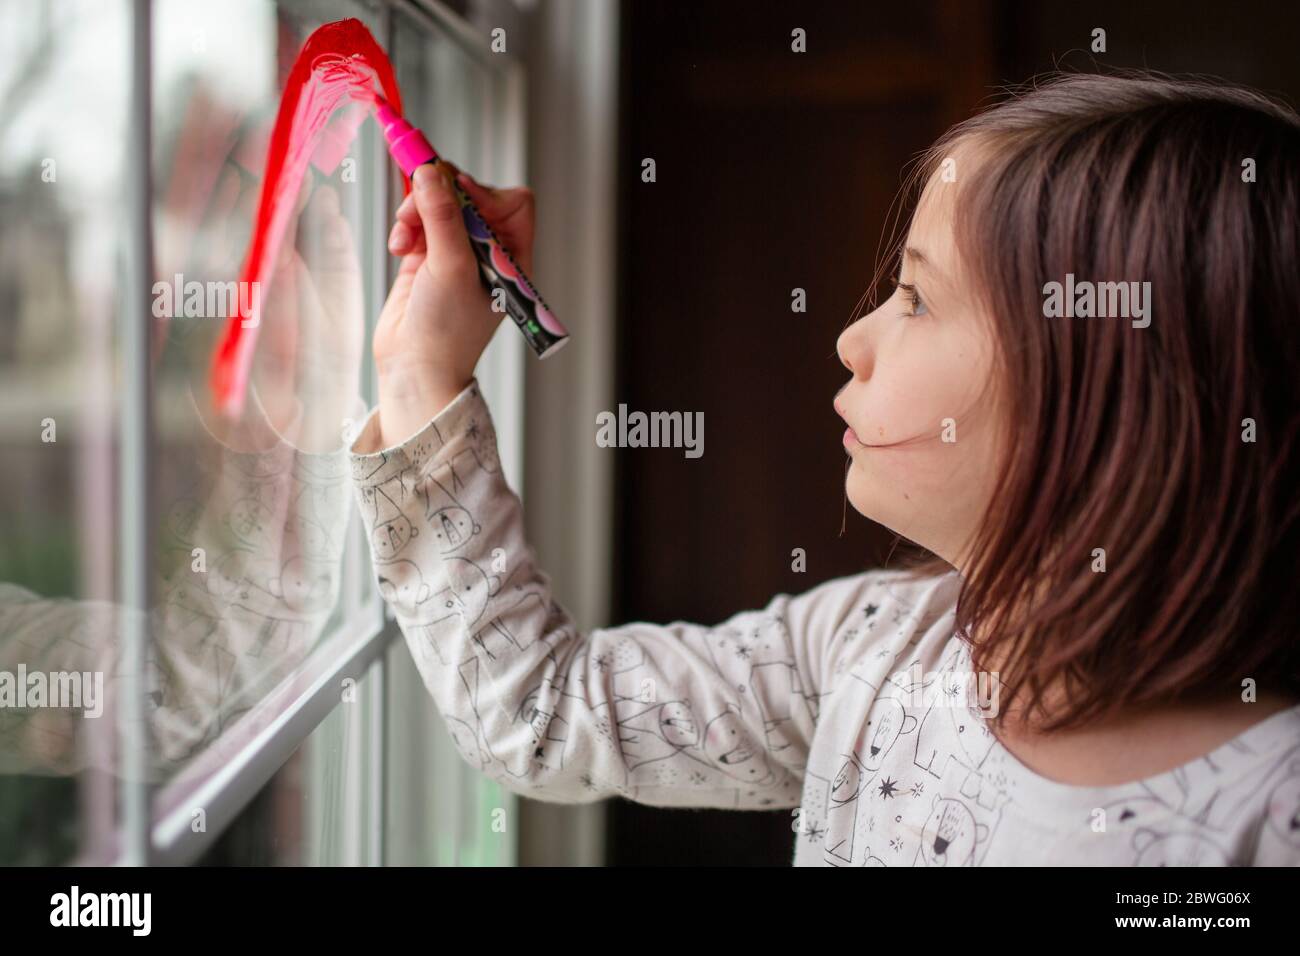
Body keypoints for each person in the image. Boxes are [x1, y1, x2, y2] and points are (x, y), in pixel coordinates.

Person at [355, 69, 1300, 866]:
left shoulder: (1269, 810)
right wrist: (418, 374)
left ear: (1116, 405)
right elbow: (546, 713)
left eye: (919, 299)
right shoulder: (874, 646)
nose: (852, 338)